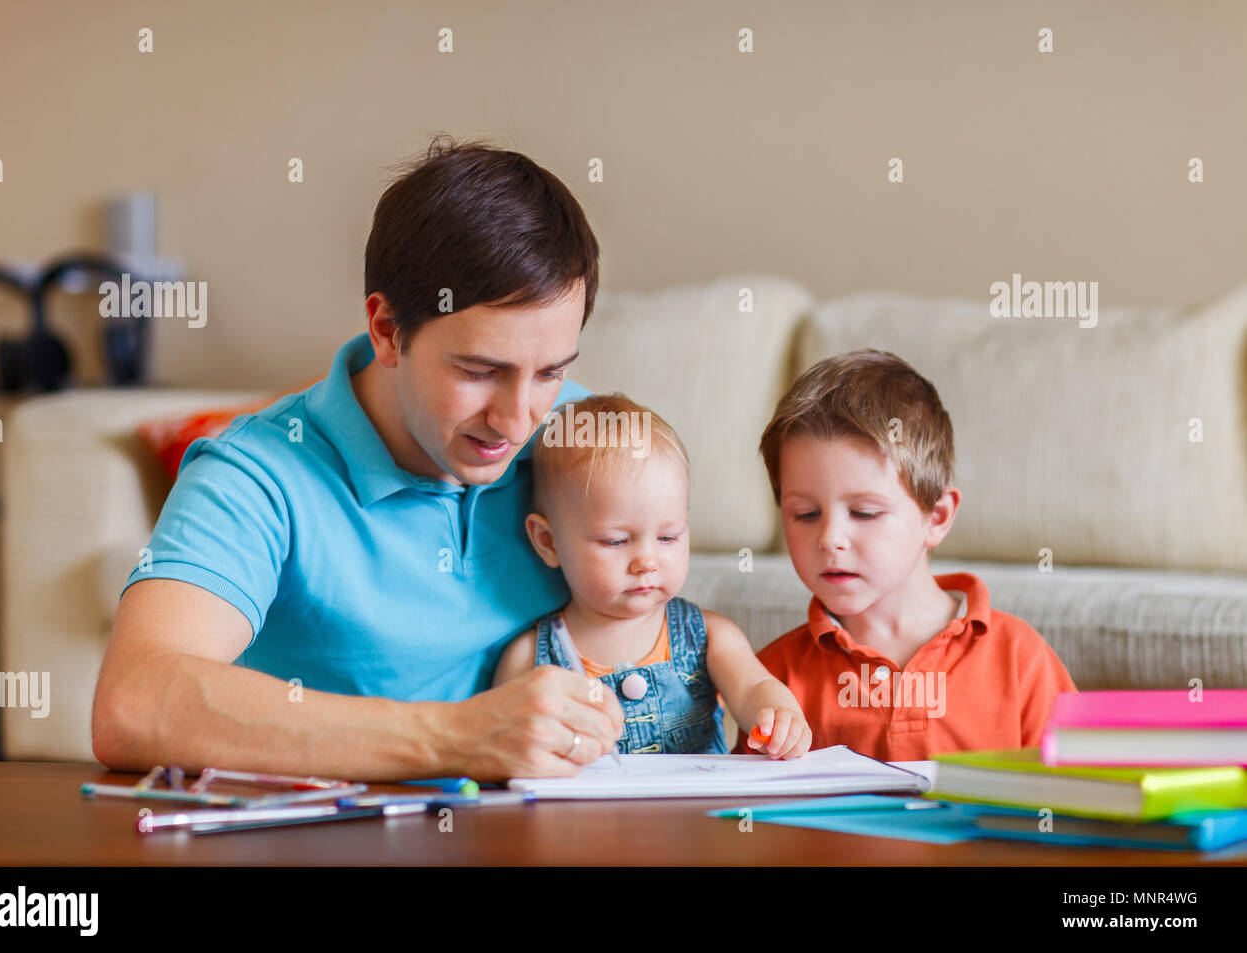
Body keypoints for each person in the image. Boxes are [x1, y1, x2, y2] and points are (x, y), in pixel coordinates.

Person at [92, 137, 624, 782]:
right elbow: (133, 702)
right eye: (480, 370)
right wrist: (453, 736)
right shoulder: (258, 474)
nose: (517, 422)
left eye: (550, 372)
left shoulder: (577, 436)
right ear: (386, 329)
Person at [742, 350, 1077, 761]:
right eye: (806, 514)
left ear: (935, 517)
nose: (829, 538)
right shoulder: (771, 678)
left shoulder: (1018, 658)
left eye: (864, 513)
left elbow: (1078, 791)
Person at [493, 393, 811, 758]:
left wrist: (779, 716)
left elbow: (753, 686)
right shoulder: (529, 658)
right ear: (548, 542)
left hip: (695, 812)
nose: (646, 561)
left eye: (667, 537)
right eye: (616, 541)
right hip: (582, 815)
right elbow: (503, 748)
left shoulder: (710, 636)